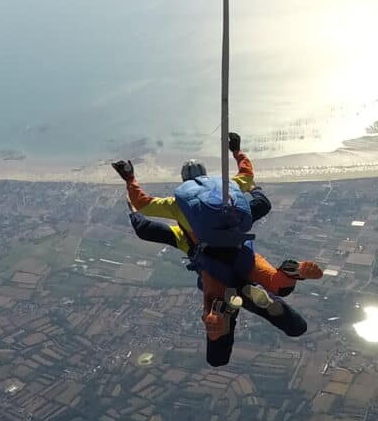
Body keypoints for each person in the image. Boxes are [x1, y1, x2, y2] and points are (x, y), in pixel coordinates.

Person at [112, 133, 323, 367]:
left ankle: (218, 312)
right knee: (288, 308)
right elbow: (250, 182)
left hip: (214, 271)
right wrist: (237, 153)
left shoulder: (178, 211)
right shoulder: (227, 190)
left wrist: (129, 182)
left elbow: (145, 220)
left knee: (217, 355)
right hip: (244, 255)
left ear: (184, 180)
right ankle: (289, 273)